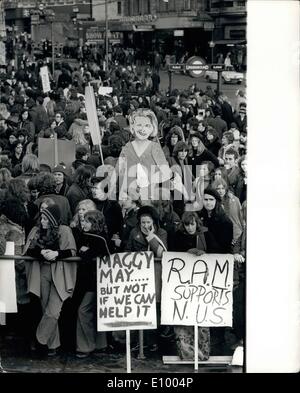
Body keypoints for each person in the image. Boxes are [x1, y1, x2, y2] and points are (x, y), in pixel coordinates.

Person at [24, 204, 77, 356]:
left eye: (46, 218)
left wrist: (56, 254)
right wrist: (41, 252)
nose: (42, 221)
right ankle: (51, 346)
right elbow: (29, 249)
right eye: (42, 218)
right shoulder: (36, 230)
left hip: (60, 272)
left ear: (53, 220)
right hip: (42, 271)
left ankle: (40, 340)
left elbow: (72, 251)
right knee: (45, 308)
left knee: (53, 311)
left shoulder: (64, 230)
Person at [171, 211, 210, 361]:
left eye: (192, 224)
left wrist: (203, 253)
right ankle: (186, 354)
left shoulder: (206, 235)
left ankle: (202, 354)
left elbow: (215, 252)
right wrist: (187, 254)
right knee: (183, 317)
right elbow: (172, 255)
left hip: (202, 285)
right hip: (182, 285)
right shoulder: (177, 236)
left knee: (202, 317)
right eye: (187, 224)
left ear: (197, 223)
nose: (190, 228)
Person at [75, 210, 111, 358]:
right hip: (92, 280)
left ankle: (86, 346)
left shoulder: (100, 239)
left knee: (84, 311)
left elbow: (105, 256)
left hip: (97, 280)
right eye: (83, 221)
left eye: (88, 221)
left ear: (95, 223)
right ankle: (100, 344)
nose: (84, 223)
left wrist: (85, 252)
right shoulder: (87, 236)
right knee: (97, 311)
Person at [116, 108, 171, 201]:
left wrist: (150, 180)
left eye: (147, 125)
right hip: (130, 197)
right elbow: (120, 172)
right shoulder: (127, 148)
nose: (143, 129)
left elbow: (166, 173)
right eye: (139, 125)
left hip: (150, 196)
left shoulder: (154, 148)